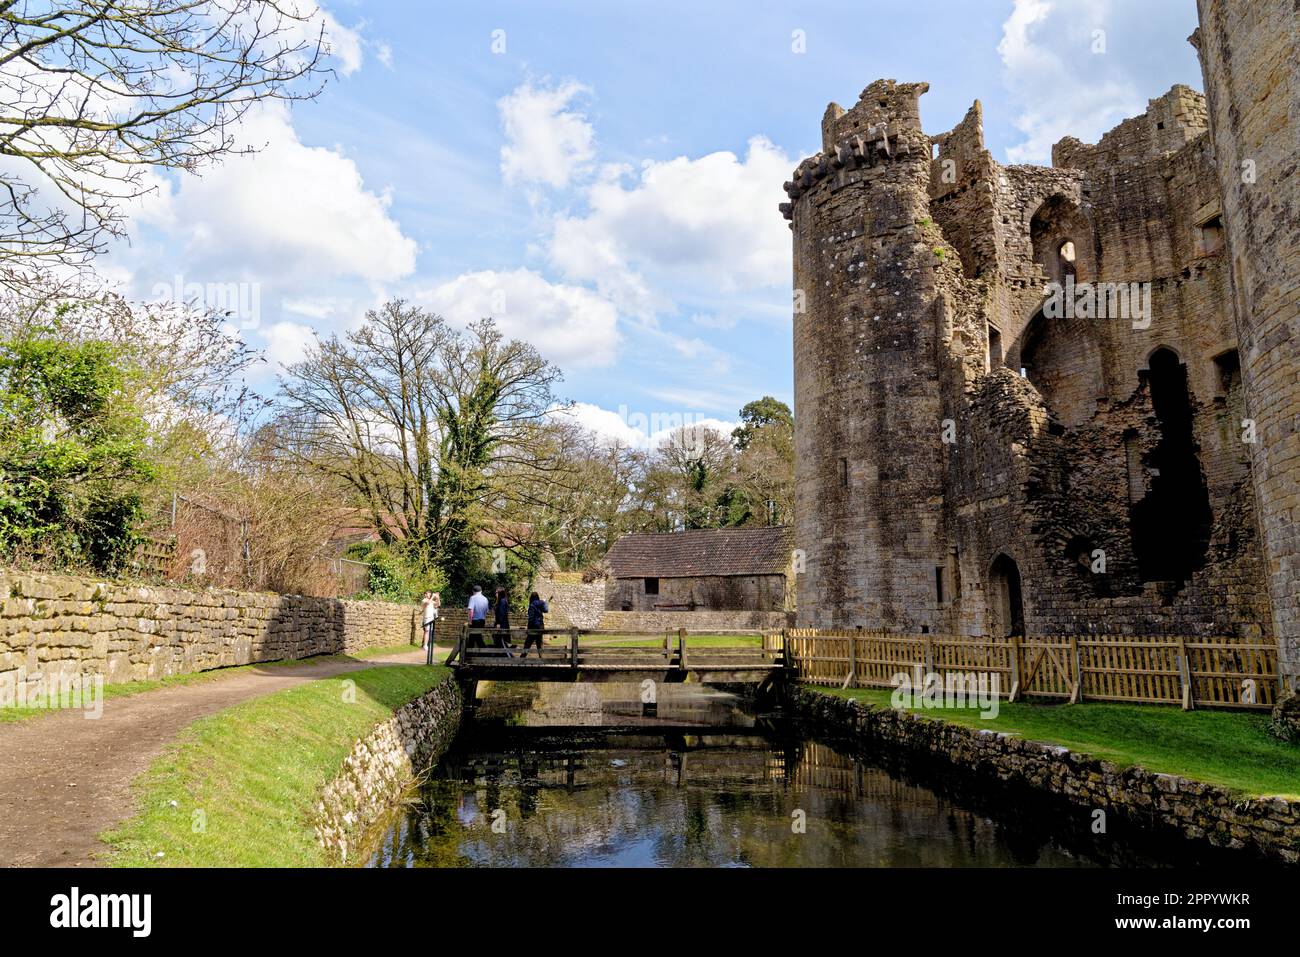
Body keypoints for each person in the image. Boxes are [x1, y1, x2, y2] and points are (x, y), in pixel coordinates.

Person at [521, 592, 551, 659]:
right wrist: (545, 602)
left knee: (528, 643)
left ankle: (522, 658)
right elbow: (546, 610)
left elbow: (531, 618)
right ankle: (541, 657)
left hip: (533, 627)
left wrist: (529, 627)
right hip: (540, 626)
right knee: (539, 643)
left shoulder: (531, 605)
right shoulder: (541, 603)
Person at [492, 586, 512, 651]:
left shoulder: (502, 601)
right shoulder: (500, 601)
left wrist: (498, 623)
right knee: (497, 638)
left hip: (501, 624)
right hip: (500, 623)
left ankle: (504, 654)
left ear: (500, 593)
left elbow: (501, 614)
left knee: (500, 640)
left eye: (497, 592)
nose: (495, 594)